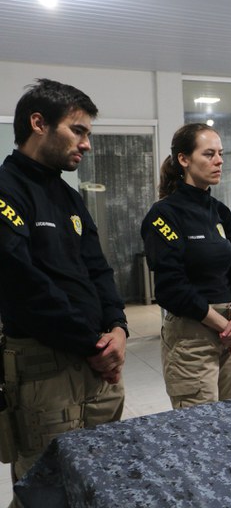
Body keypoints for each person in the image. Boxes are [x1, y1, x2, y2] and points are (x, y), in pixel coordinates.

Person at [0, 79, 127, 498]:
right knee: (46, 491)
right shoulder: (7, 190)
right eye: (78, 130)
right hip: (45, 372)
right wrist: (92, 344)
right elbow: (21, 282)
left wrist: (118, 327)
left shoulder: (69, 198)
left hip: (98, 366)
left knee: (101, 481)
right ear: (39, 123)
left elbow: (98, 268)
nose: (86, 144)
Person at [141, 123, 231, 409]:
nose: (219, 161)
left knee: (229, 421)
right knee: (200, 431)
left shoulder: (220, 212)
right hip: (192, 336)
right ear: (184, 159)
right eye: (209, 154)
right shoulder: (164, 214)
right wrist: (226, 326)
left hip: (229, 332)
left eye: (221, 154)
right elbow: (170, 288)